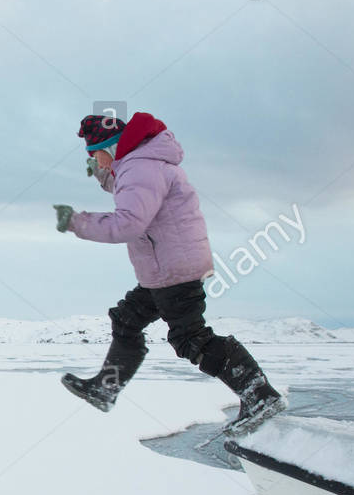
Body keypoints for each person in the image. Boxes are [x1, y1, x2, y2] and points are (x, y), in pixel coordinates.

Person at [53, 112, 285, 433]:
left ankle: (260, 395)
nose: (95, 162)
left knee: (190, 338)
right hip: (164, 267)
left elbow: (129, 221)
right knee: (127, 318)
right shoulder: (139, 164)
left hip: (172, 267)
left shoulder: (140, 167)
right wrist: (104, 174)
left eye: (95, 155)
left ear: (112, 146)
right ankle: (105, 389)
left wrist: (76, 222)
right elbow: (133, 192)